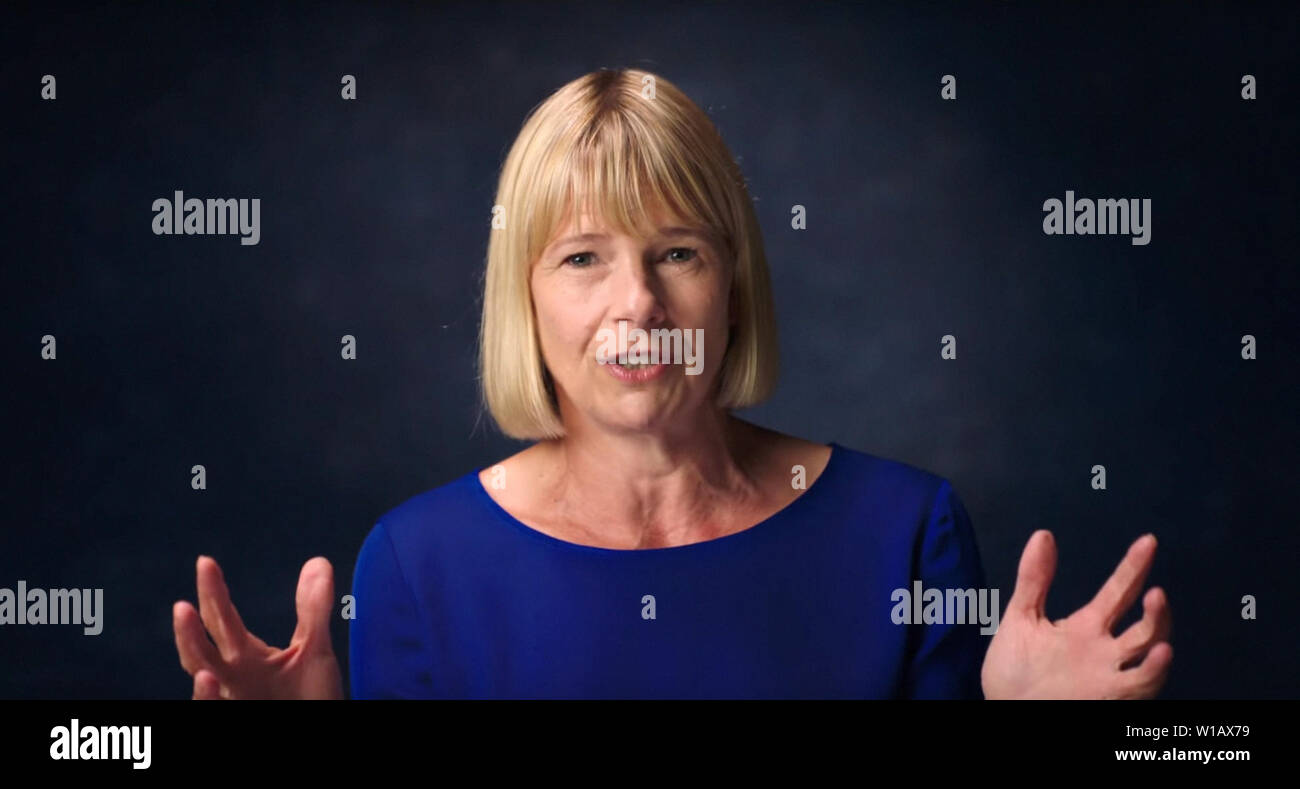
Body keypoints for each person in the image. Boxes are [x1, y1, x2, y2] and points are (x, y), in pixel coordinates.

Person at [171, 68, 1172, 700]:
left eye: (678, 253)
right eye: (581, 260)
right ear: (524, 302)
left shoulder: (908, 529)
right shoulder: (418, 564)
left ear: (732, 286)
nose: (637, 306)